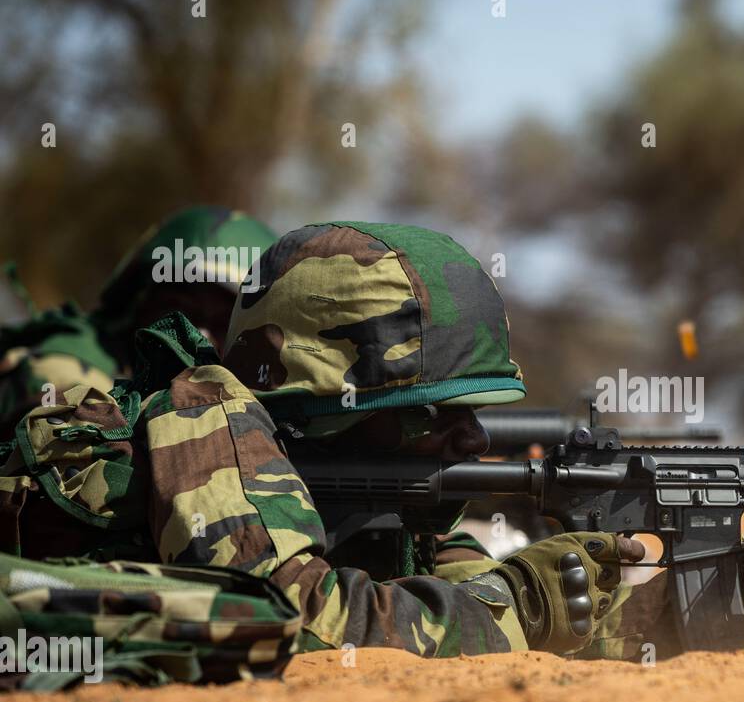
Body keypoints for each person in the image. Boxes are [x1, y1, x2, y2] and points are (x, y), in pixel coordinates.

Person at [0, 221, 648, 660]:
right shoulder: (208, 422)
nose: (474, 438)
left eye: (473, 410)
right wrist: (525, 603)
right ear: (322, 414)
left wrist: (641, 602)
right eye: (429, 416)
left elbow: (459, 583)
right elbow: (308, 627)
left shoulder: (372, 503)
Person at [0, 205, 277, 436]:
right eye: (177, 312)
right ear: (138, 306)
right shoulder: (68, 369)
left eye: (224, 324)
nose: (197, 334)